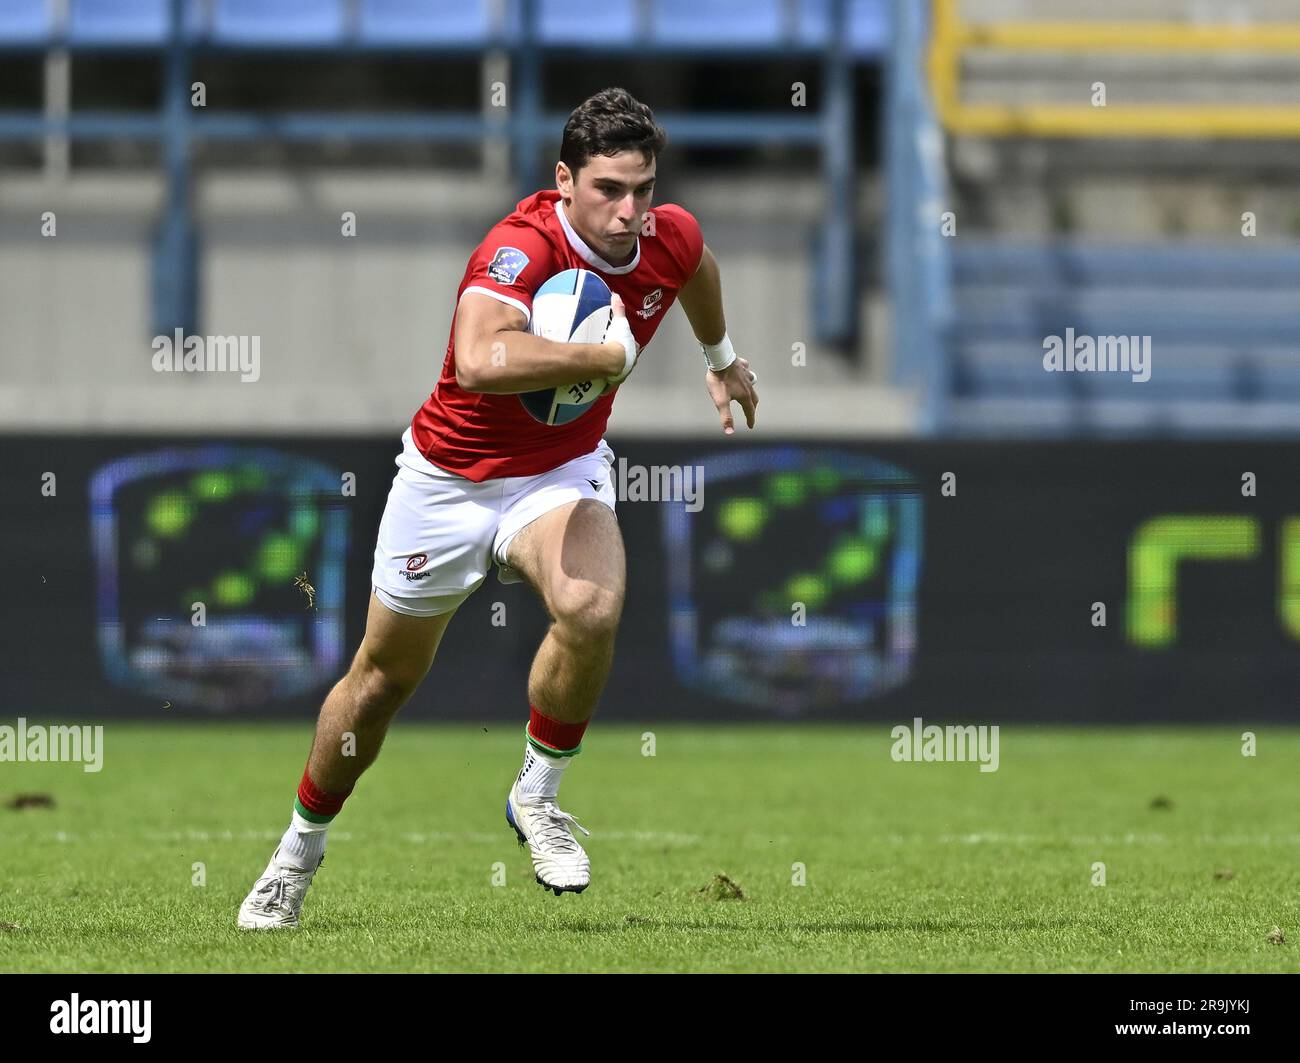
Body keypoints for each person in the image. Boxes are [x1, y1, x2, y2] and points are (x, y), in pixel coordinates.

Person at [238, 86, 758, 928]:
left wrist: (722, 355)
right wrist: (602, 357)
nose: (629, 212)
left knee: (592, 605)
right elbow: (480, 358)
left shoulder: (668, 236)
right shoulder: (519, 248)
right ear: (564, 180)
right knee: (381, 681)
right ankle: (296, 853)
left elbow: (695, 266)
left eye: (642, 190)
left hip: (559, 471)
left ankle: (537, 794)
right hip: (448, 481)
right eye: (608, 190)